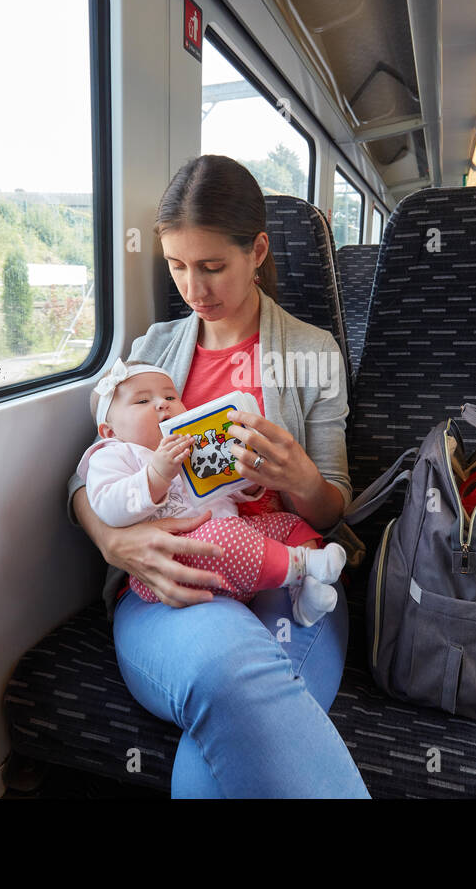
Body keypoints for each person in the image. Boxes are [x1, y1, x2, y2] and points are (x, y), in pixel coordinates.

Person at [65, 154, 369, 798]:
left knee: (234, 718)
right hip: (172, 580)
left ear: (256, 251)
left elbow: (333, 509)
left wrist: (300, 478)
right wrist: (113, 542)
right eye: (177, 266)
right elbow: (89, 472)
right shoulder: (150, 352)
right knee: (234, 676)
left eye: (211, 267)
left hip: (290, 575)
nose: (194, 289)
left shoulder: (313, 354)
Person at [77, 358, 346, 625]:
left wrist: (249, 482)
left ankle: (304, 593)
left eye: (170, 396)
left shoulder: (191, 444)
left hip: (237, 548)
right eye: (142, 401)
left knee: (289, 524)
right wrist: (156, 475)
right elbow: (107, 506)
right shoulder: (112, 454)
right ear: (109, 431)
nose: (162, 403)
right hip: (174, 561)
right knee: (223, 535)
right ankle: (302, 566)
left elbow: (223, 491)